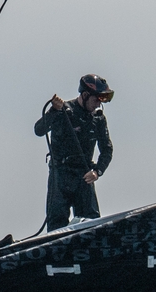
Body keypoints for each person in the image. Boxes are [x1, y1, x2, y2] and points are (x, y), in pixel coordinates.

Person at [34, 74, 114, 233]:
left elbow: (107, 149)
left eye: (101, 100)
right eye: (96, 99)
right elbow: (39, 130)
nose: (98, 104)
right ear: (85, 95)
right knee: (57, 222)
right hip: (61, 175)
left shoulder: (98, 119)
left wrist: (97, 172)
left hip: (84, 176)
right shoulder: (63, 111)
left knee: (92, 223)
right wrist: (53, 111)